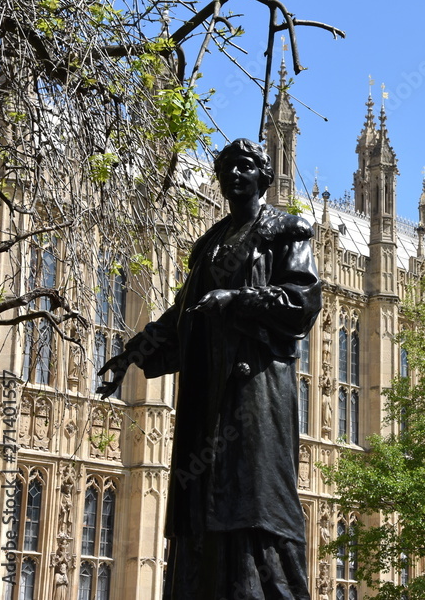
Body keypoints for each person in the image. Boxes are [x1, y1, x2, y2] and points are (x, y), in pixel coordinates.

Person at [98, 138, 321, 599]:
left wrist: (236, 300)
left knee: (254, 512)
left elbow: (301, 301)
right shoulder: (208, 247)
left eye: (244, 167)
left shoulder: (286, 230)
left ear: (264, 175)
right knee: (201, 517)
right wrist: (133, 353)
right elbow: (182, 318)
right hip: (205, 400)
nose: (233, 176)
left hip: (254, 398)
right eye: (226, 169)